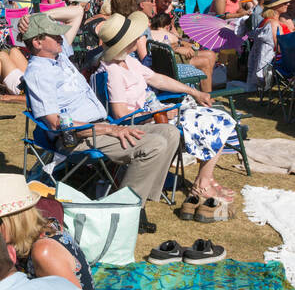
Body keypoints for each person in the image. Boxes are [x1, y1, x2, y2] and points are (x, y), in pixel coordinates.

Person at [23, 12, 179, 209]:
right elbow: (56, 123)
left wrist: (33, 18)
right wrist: (109, 129)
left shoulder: (58, 54)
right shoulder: (38, 73)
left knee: (171, 133)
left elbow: (75, 13)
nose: (59, 37)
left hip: (101, 125)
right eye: (54, 36)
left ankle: (140, 198)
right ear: (38, 43)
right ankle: (123, 209)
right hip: (79, 137)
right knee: (154, 144)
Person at [99, 10, 238, 204]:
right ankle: (203, 183)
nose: (138, 39)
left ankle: (205, 179)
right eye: (134, 37)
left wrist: (195, 93)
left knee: (218, 117)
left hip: (154, 112)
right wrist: (156, 113)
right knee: (216, 120)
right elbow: (120, 113)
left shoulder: (127, 61)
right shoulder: (113, 71)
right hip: (144, 120)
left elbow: (158, 79)